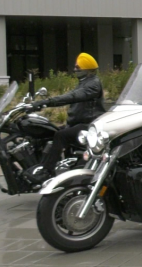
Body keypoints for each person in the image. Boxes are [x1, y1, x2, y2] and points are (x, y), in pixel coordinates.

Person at [27, 53, 105, 183]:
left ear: (87, 69)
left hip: (88, 124)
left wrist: (46, 102)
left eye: (77, 68)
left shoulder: (93, 84)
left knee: (61, 135)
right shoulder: (85, 82)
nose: (75, 70)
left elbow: (73, 96)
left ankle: (46, 172)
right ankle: (43, 164)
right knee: (47, 131)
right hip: (77, 123)